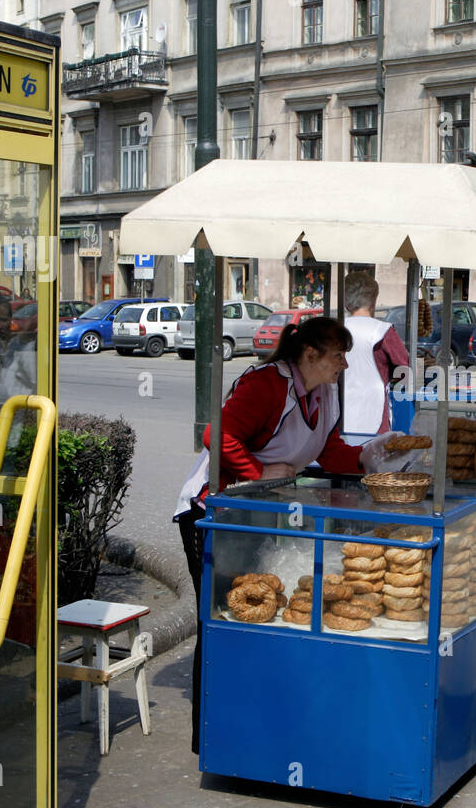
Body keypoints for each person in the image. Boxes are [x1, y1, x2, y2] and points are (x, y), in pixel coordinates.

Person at [172, 316, 395, 753]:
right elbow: (216, 435)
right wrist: (258, 471)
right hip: (214, 512)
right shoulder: (267, 384)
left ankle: (259, 724)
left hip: (262, 514)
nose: (345, 365)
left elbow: (329, 450)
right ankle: (213, 734)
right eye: (338, 356)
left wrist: (374, 460)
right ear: (309, 355)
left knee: (265, 611)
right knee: (218, 620)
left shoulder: (325, 394)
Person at [340, 270, 409, 442]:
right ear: (373, 301)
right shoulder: (383, 331)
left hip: (338, 410)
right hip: (374, 411)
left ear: (346, 303)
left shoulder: (335, 329)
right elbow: (404, 370)